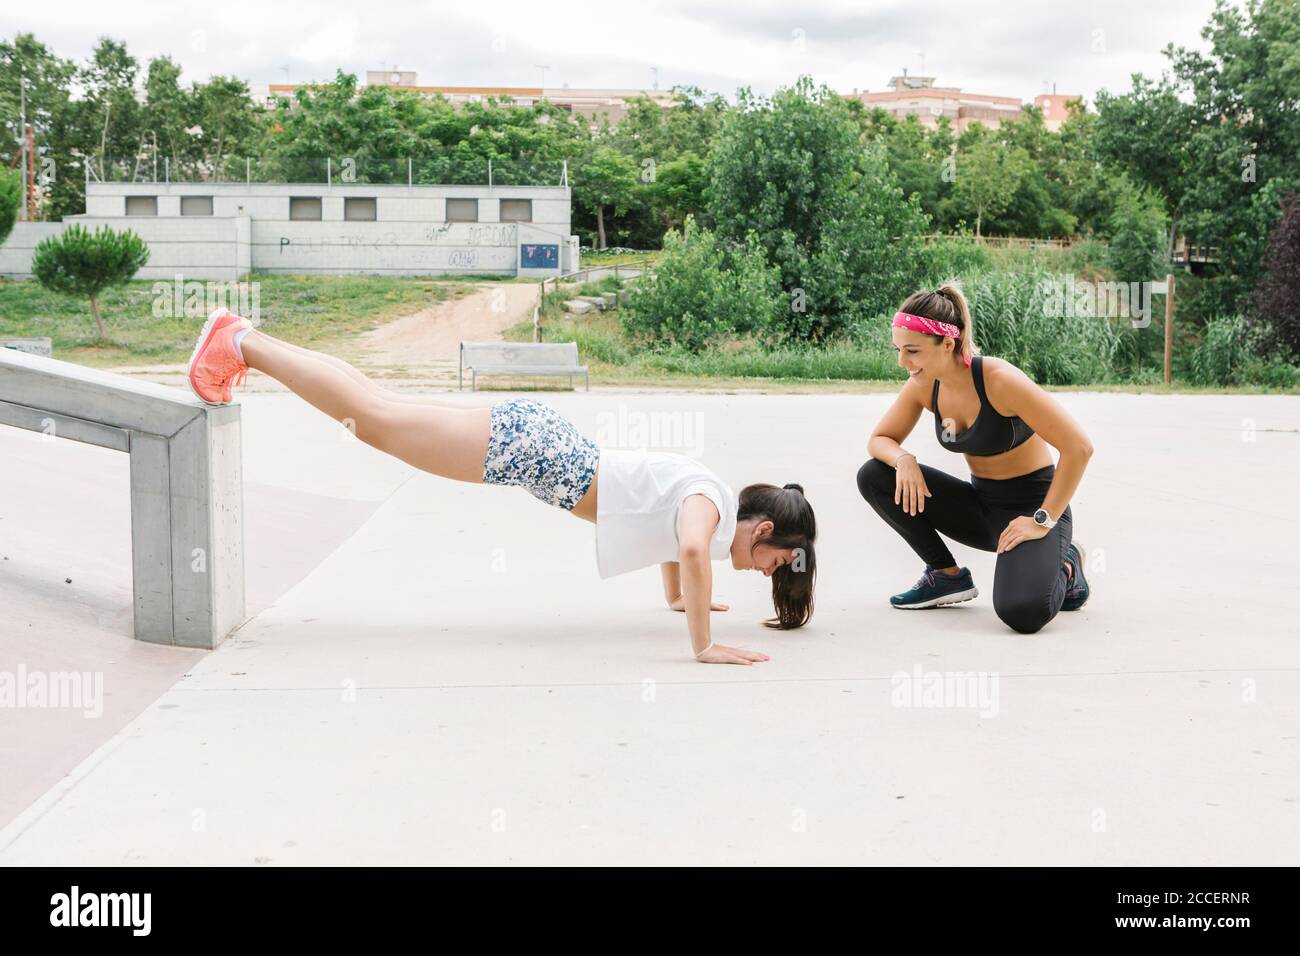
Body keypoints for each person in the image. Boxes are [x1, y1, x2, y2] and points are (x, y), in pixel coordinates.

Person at [187, 308, 816, 663]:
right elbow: (684, 548)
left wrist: (680, 602)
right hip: (524, 448)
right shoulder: (707, 508)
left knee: (378, 406)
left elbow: (674, 545)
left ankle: (244, 340)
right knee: (375, 421)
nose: (767, 573)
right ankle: (240, 343)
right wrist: (702, 642)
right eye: (775, 563)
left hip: (531, 441)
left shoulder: (706, 501)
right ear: (762, 529)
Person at [856, 284, 1092, 633]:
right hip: (980, 506)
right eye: (898, 350)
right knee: (874, 475)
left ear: (947, 344)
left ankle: (1067, 564)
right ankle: (945, 575)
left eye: (912, 351)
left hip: (1032, 508)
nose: (902, 362)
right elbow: (880, 439)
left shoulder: (999, 381)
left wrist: (1042, 519)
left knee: (1022, 612)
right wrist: (903, 459)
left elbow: (1078, 447)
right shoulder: (925, 384)